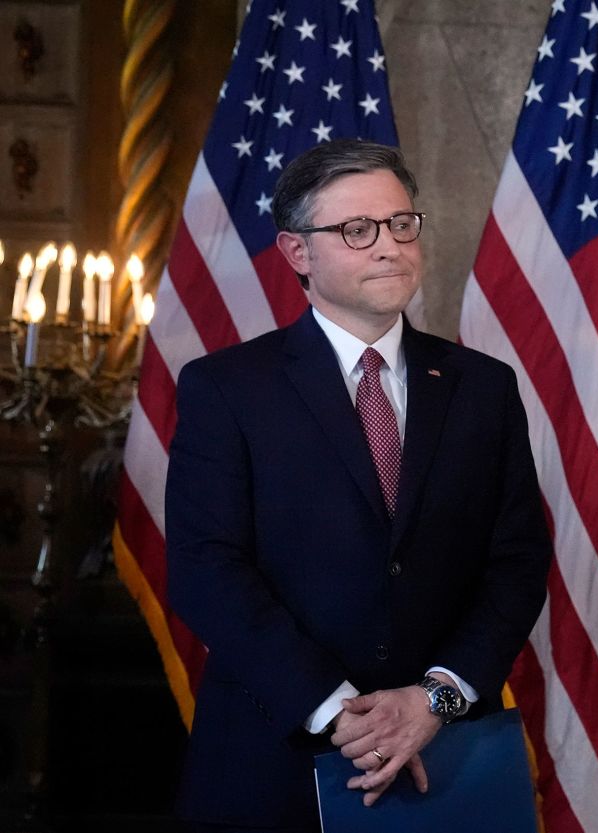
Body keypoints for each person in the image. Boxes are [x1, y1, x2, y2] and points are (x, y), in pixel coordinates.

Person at [167, 139, 551, 831]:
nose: (388, 246)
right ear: (297, 253)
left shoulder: (483, 388)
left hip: (448, 756)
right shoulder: (227, 389)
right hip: (275, 756)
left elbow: (517, 563)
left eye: (402, 224)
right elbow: (206, 568)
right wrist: (338, 710)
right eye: (357, 229)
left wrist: (435, 698)